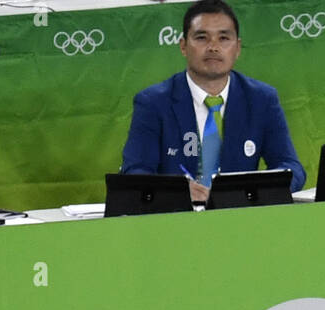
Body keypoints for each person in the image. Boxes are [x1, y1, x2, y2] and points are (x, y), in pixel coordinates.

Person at [120, 0, 306, 203]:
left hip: (241, 218)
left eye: (224, 38)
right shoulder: (153, 102)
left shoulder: (262, 99)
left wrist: (249, 191)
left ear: (237, 48)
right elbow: (134, 172)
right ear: (183, 46)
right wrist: (177, 191)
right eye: (202, 38)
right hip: (175, 218)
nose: (213, 47)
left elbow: (290, 166)